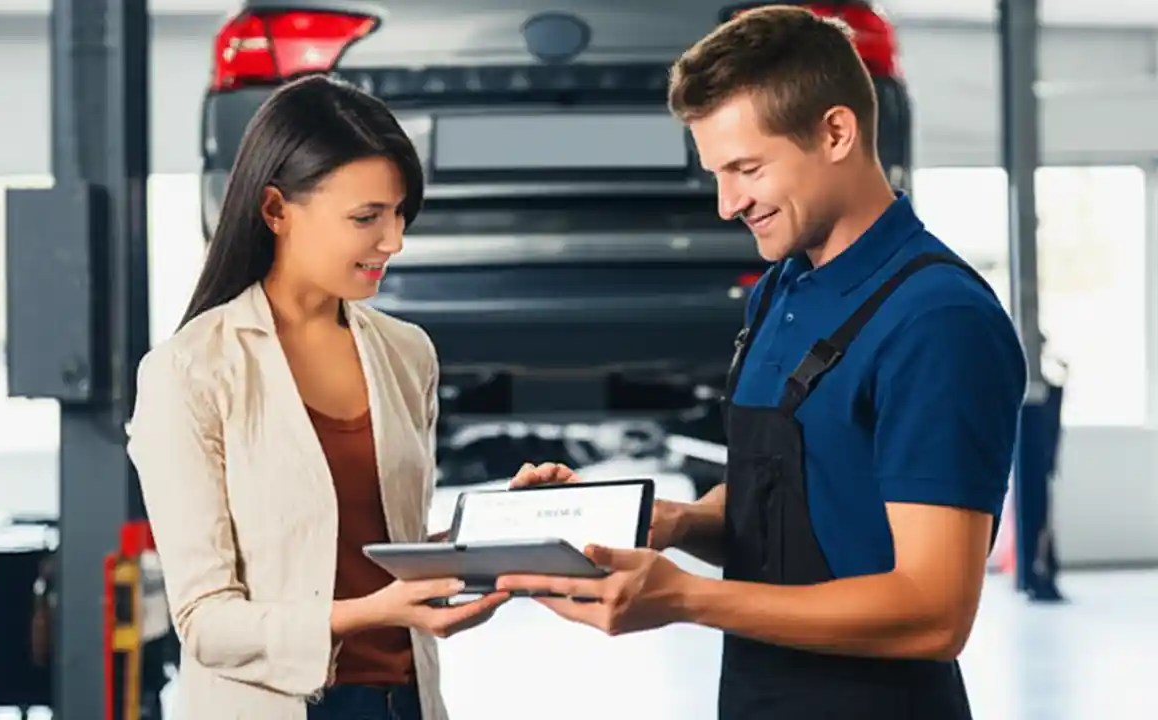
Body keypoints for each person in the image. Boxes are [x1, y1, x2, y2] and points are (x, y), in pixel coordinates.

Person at [502, 7, 1027, 720]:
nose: (727, 204)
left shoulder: (938, 319)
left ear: (836, 132)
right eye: (716, 172)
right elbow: (800, 499)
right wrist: (672, 523)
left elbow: (934, 613)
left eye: (747, 168)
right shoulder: (784, 286)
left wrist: (684, 596)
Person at [125, 74, 507, 720]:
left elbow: (388, 553)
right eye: (367, 218)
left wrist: (504, 532)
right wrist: (364, 614)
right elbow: (204, 622)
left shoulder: (407, 354)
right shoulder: (191, 371)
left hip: (405, 703)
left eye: (399, 213)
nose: (394, 242)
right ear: (276, 211)